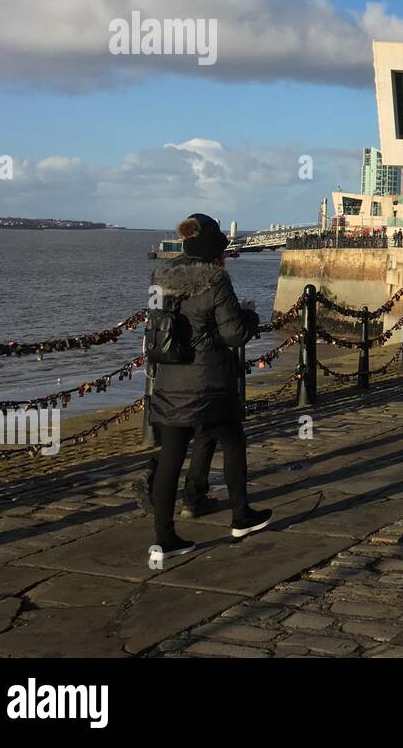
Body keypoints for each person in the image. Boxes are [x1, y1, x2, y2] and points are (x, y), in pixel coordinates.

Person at [148, 214, 271, 556]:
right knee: (232, 442)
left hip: (170, 380)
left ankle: (164, 538)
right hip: (210, 381)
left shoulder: (159, 278)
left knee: (171, 456)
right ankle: (241, 516)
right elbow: (234, 334)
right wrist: (249, 315)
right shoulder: (215, 281)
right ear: (213, 250)